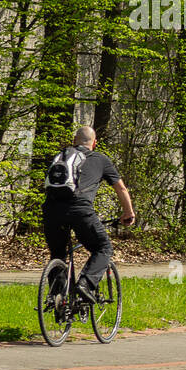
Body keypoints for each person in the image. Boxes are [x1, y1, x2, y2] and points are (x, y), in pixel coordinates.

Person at [42, 126, 136, 304]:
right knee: (103, 248)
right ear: (94, 143)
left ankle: (57, 299)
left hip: (51, 211)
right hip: (80, 211)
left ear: (74, 140)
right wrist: (128, 213)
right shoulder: (100, 159)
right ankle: (85, 283)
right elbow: (121, 188)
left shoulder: (59, 157)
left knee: (58, 254)